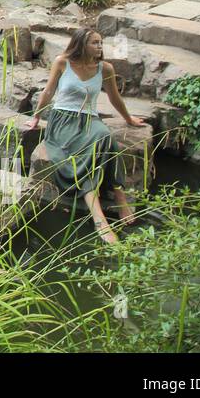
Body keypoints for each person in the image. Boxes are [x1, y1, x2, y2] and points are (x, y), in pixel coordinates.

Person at [31, 27, 145, 243]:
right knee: (86, 150)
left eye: (101, 42)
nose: (100, 46)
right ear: (81, 44)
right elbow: (48, 91)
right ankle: (99, 219)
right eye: (95, 42)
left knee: (104, 136)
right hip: (63, 120)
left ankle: (119, 195)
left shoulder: (105, 68)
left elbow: (115, 98)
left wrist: (129, 119)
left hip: (89, 119)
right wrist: (36, 118)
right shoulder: (62, 62)